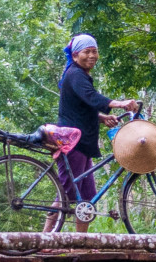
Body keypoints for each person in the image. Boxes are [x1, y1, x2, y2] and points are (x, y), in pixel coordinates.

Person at [49, 34, 139, 233]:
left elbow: (80, 104)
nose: (92, 55)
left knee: (87, 196)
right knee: (66, 191)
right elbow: (91, 97)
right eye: (86, 52)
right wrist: (118, 103)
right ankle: (44, 239)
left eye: (94, 51)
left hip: (82, 143)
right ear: (74, 56)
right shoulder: (75, 74)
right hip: (73, 143)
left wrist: (101, 117)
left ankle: (79, 243)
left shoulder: (79, 75)